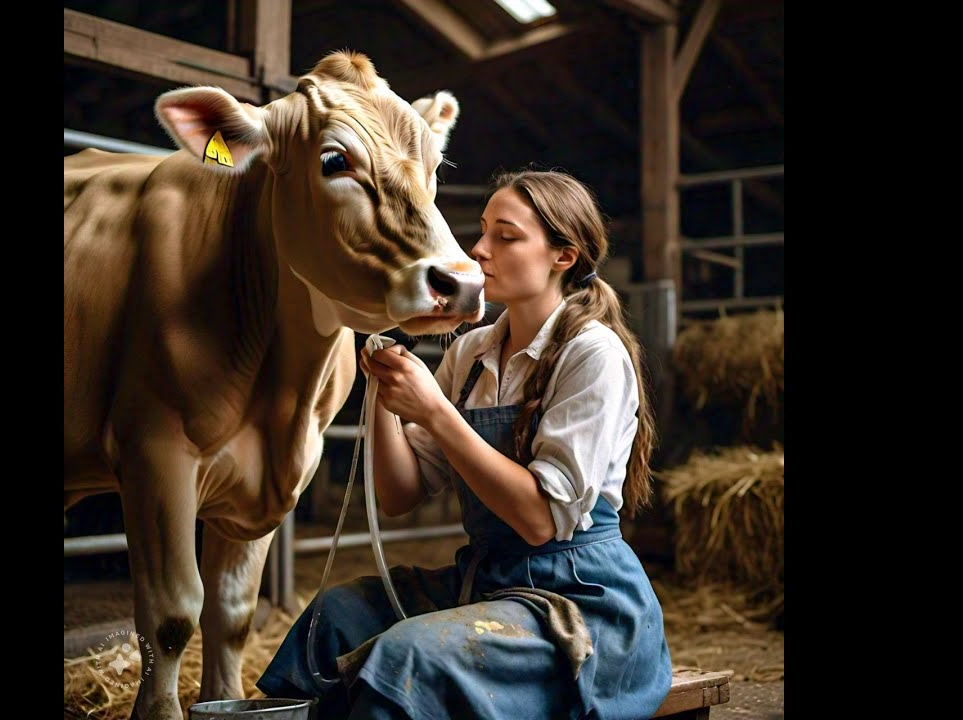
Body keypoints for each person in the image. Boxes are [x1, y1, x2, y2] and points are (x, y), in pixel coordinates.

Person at [256, 168, 672, 719]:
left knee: (408, 657)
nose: (478, 249)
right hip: (488, 582)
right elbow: (399, 495)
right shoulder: (472, 352)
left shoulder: (592, 354)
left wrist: (434, 410)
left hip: (578, 603)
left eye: (506, 236)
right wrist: (384, 392)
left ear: (563, 256)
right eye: (482, 231)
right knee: (334, 617)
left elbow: (540, 521)